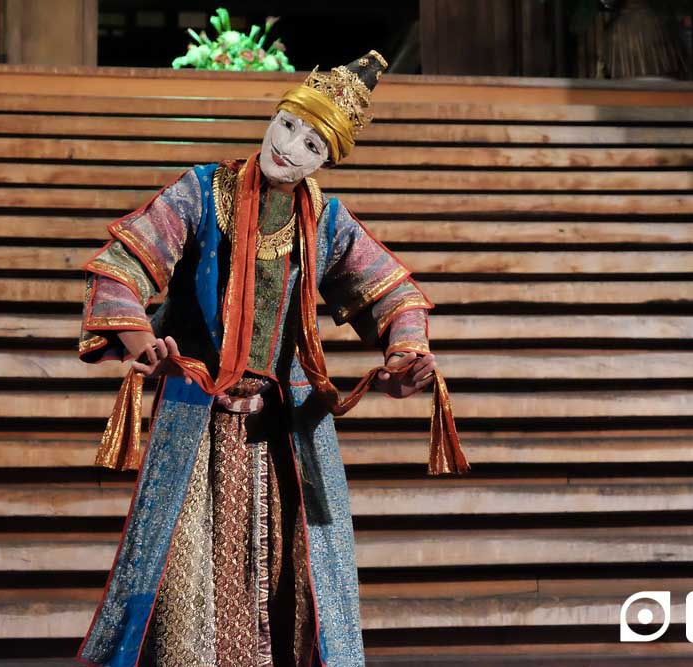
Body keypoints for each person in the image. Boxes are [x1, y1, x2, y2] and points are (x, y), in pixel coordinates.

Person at [74, 51, 468, 667]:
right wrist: (138, 338)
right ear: (274, 116)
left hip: (286, 424)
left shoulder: (325, 220)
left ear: (326, 161)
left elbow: (393, 292)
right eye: (287, 125)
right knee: (181, 575)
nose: (288, 147)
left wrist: (406, 351)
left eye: (311, 144)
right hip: (198, 413)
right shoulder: (201, 191)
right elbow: (122, 265)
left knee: (297, 573)